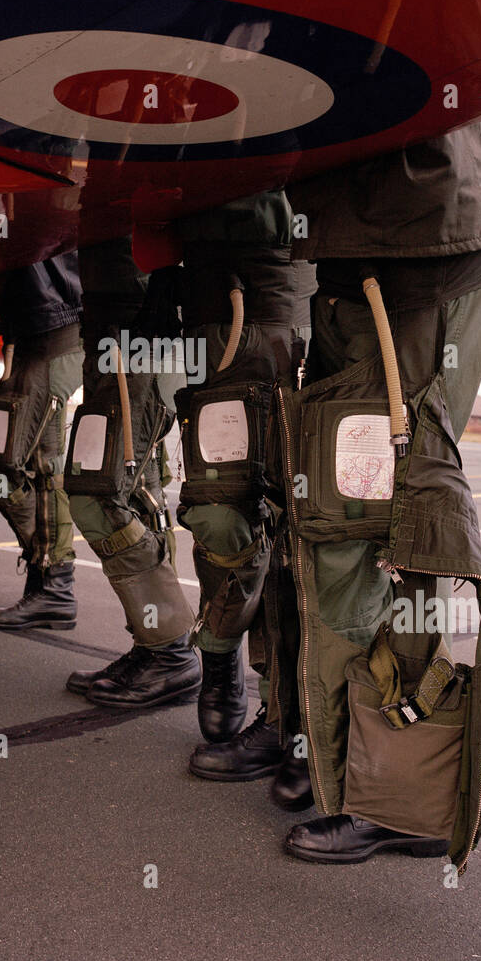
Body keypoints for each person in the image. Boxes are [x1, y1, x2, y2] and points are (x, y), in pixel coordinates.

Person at [269, 119, 481, 864]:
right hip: (368, 256)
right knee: (354, 532)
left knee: (385, 534)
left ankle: (400, 798)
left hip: (418, 255)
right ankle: (367, 776)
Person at [170, 191, 314, 810]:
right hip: (204, 290)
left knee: (293, 531)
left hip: (282, 284)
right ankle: (222, 662)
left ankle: (296, 721)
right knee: (219, 513)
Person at [62, 237, 200, 707]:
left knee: (100, 492)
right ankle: (158, 643)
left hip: (142, 326)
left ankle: (170, 652)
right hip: (107, 325)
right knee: (139, 490)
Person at [0, 251, 83, 631]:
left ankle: (54, 583)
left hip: (58, 321)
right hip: (28, 326)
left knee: (25, 466)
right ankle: (47, 583)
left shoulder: (58, 200)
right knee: (27, 464)